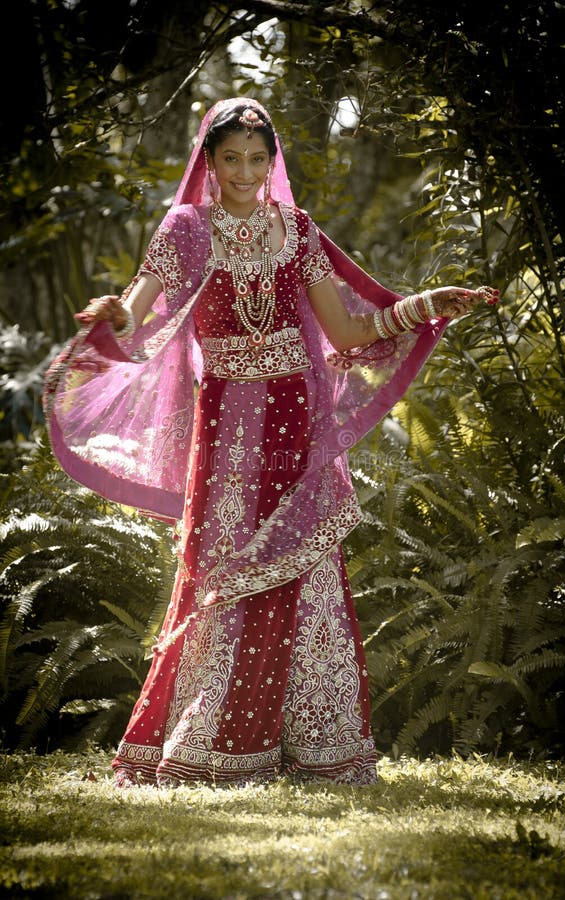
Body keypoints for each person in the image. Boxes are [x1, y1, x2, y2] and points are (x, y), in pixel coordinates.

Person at [43, 97, 499, 787]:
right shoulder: (186, 229)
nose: (245, 173)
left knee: (305, 565)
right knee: (222, 567)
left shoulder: (297, 229)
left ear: (271, 161)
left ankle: (316, 748)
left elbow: (346, 333)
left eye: (258, 159)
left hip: (295, 421)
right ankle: (208, 743)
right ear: (210, 161)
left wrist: (428, 303)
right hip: (226, 423)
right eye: (231, 159)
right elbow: (136, 312)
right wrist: (112, 313)